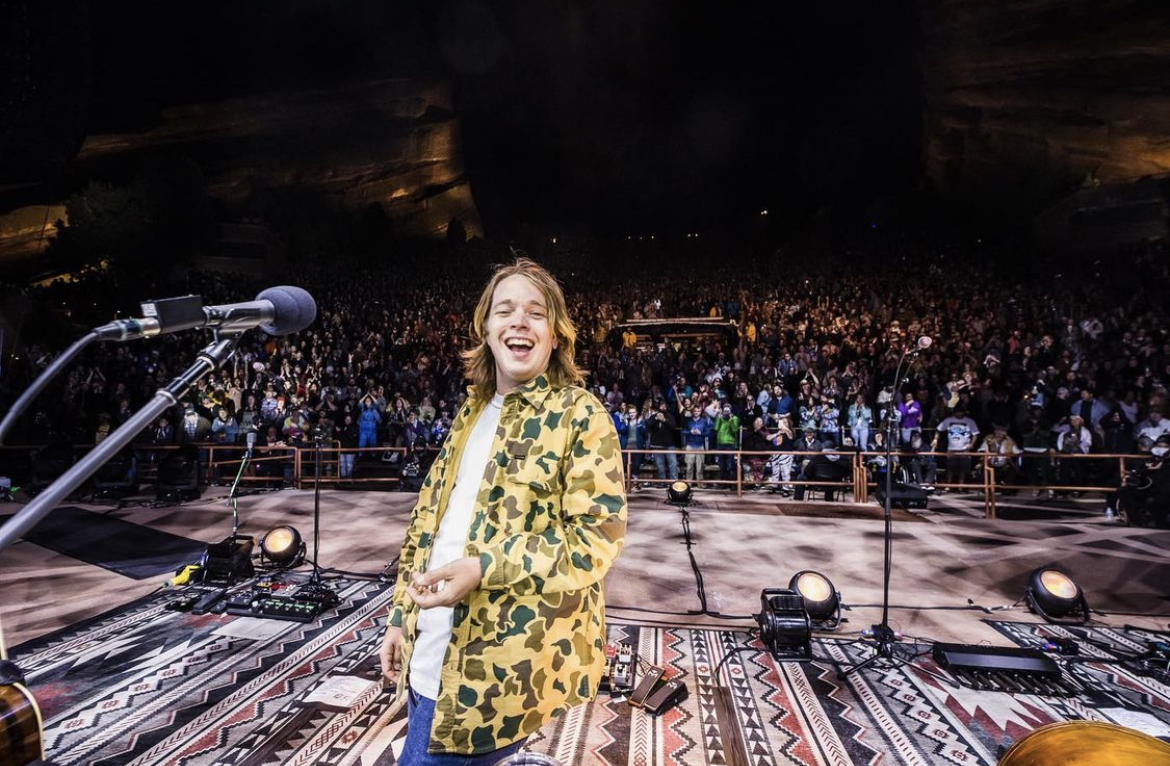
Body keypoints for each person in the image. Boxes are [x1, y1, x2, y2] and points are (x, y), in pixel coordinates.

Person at [380, 259, 627, 764]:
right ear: (486, 330)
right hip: (431, 649)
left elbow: (596, 540)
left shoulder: (580, 415)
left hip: (500, 673)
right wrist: (400, 617)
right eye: (505, 310)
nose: (519, 321)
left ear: (555, 336)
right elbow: (427, 524)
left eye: (536, 313)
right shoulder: (469, 413)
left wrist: (485, 567)